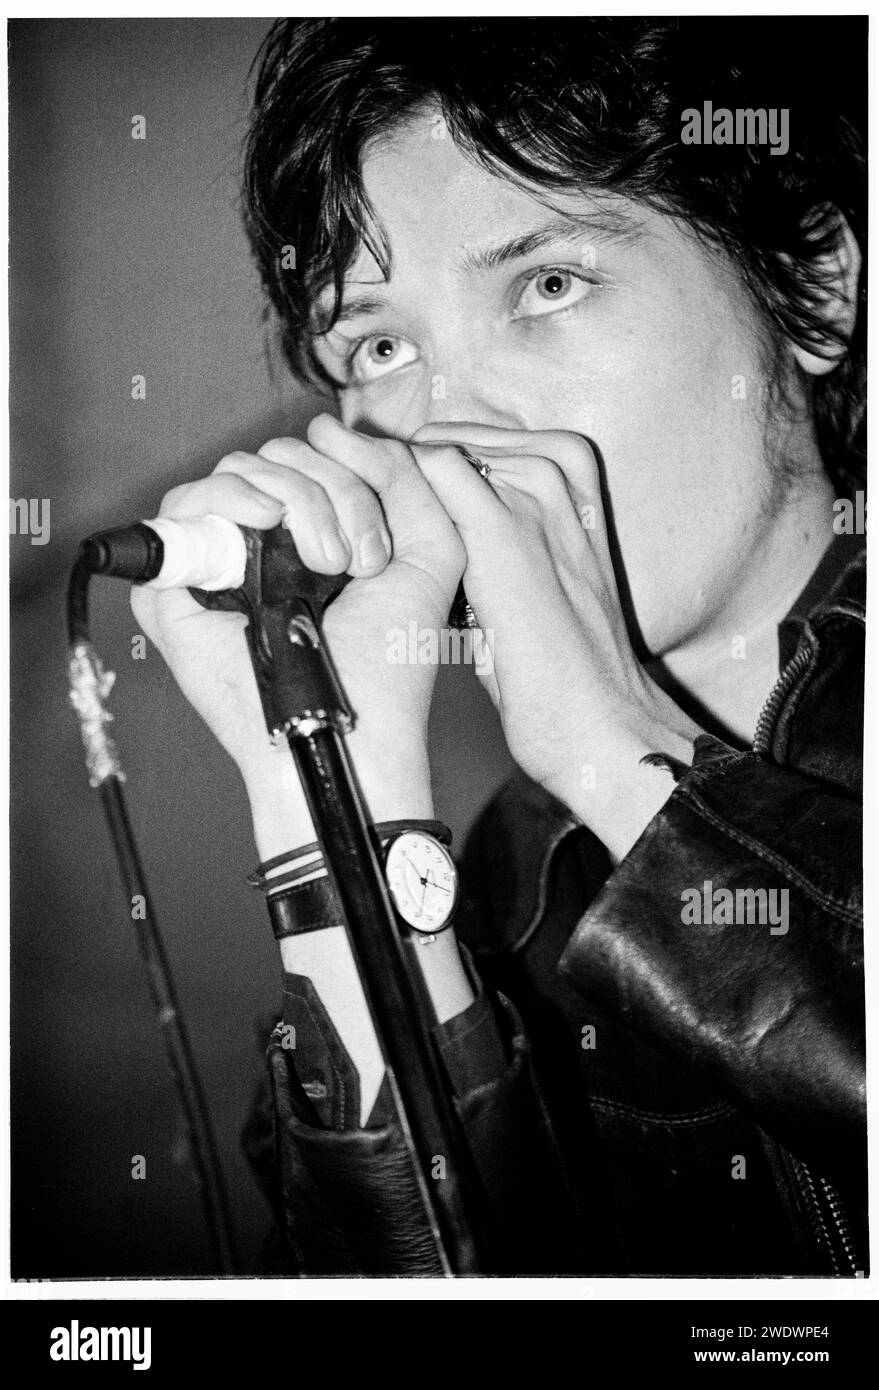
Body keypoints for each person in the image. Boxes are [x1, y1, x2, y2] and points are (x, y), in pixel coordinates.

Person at [131, 17, 867, 1276]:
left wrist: (633, 762)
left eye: (548, 284)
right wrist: (338, 807)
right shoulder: (507, 878)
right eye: (382, 346)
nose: (451, 427)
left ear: (808, 283)